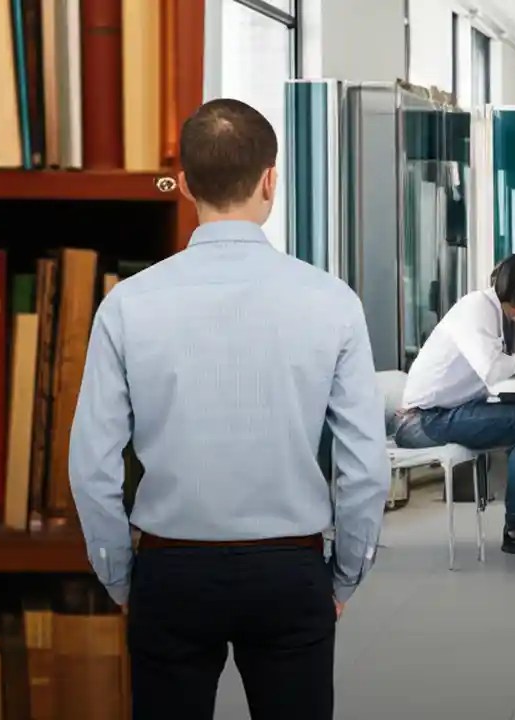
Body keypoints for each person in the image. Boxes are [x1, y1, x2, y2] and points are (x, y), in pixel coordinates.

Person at [68, 98, 389, 720]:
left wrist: (119, 577)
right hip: (291, 568)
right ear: (272, 179)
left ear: (184, 183)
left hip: (170, 568)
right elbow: (365, 466)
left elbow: (92, 466)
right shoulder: (332, 301)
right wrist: (345, 574)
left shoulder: (128, 304)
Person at [395, 253, 515, 555]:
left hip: (450, 410)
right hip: (422, 419)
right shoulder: (476, 308)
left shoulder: (502, 314)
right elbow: (493, 370)